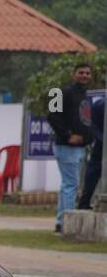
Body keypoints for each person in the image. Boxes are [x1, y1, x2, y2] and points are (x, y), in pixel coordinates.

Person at [48, 61, 94, 233]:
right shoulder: (62, 92)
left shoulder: (84, 95)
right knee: (71, 185)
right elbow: (52, 116)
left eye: (87, 73)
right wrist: (67, 135)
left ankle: (61, 222)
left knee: (68, 185)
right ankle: (68, 223)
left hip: (81, 148)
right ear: (74, 74)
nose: (84, 75)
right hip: (67, 148)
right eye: (81, 72)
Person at [75, 92, 104, 212]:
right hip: (102, 145)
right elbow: (93, 125)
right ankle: (84, 203)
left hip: (101, 143)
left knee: (93, 172)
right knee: (93, 173)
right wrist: (102, 139)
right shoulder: (101, 105)